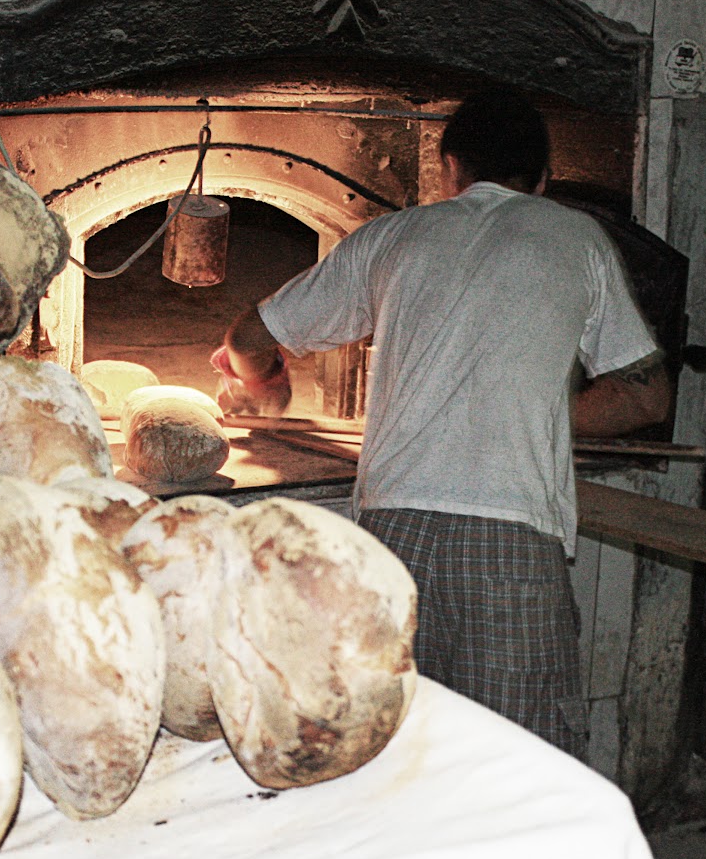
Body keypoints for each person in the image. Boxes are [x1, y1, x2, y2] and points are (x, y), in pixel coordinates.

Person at [212, 86, 671, 758]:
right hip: (511, 544)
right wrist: (533, 411)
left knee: (389, 752)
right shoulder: (578, 237)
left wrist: (265, 383)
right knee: (514, 765)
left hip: (392, 537)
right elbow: (647, 393)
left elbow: (252, 334)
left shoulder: (396, 234)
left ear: (450, 169)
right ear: (542, 181)